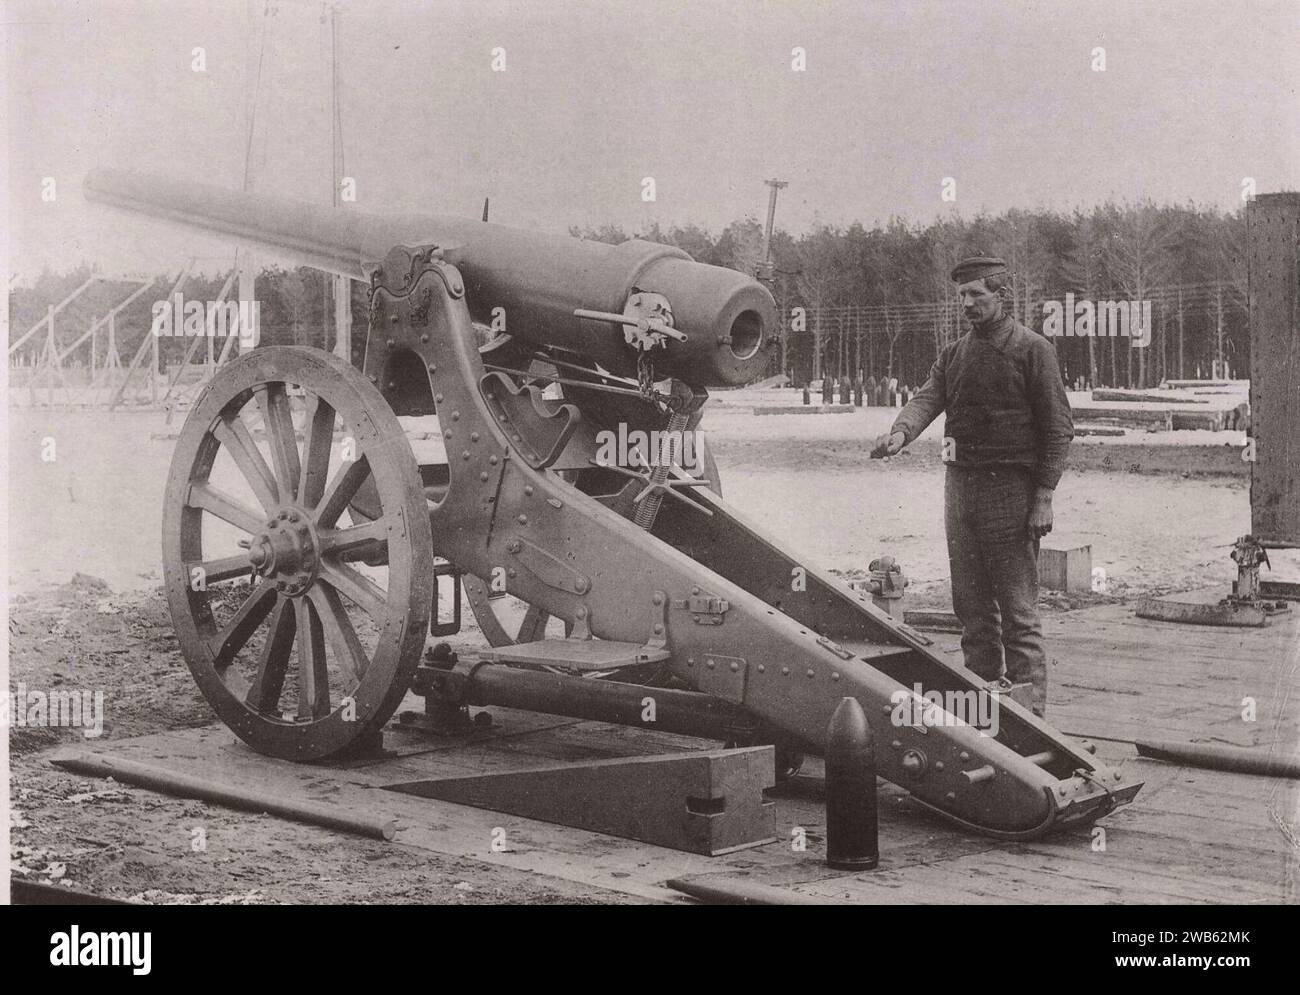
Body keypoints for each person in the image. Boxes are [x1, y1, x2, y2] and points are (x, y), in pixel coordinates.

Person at [870, 256, 1073, 717]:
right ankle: (984, 709)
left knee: (1018, 613)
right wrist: (900, 434)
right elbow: (926, 398)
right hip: (959, 489)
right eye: (961, 295)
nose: (966, 303)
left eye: (975, 294)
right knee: (972, 610)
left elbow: (1059, 428)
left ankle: (1030, 719)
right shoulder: (955, 353)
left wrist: (1043, 496)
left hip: (1011, 492)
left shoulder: (1033, 350)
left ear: (1002, 296)